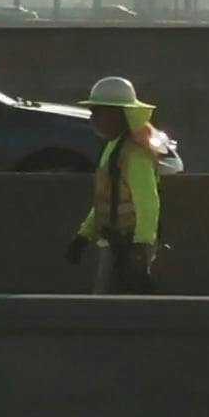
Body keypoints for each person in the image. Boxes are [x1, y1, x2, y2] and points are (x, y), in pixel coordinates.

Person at [63, 77, 165, 292]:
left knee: (110, 304)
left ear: (119, 114)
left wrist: (141, 245)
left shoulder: (134, 153)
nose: (92, 118)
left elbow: (148, 201)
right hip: (115, 241)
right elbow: (106, 199)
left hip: (129, 243)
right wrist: (84, 235)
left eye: (98, 112)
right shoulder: (113, 147)